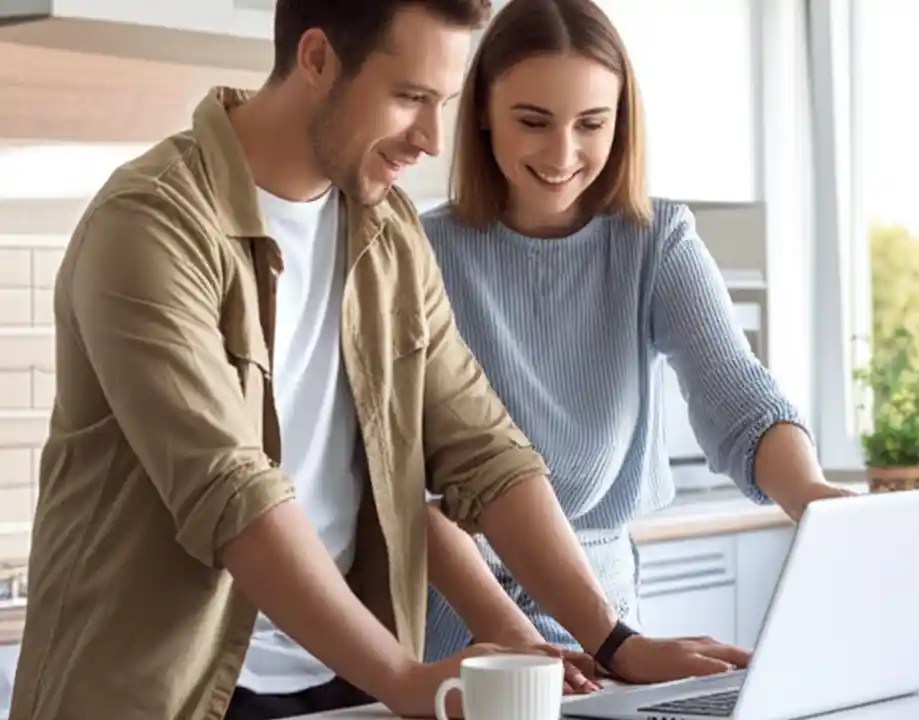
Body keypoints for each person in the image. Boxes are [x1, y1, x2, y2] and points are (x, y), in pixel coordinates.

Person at [10, 1, 748, 718]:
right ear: (318, 58)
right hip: (166, 695)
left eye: (444, 102)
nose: (432, 137)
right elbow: (230, 491)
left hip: (343, 684)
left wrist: (613, 641)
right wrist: (406, 680)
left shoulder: (386, 232)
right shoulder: (152, 225)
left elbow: (483, 450)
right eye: (409, 97)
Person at [419, 0, 854, 662]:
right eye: (533, 122)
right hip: (464, 635)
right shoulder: (420, 253)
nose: (563, 154)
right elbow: (404, 492)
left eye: (591, 123)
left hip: (611, 633)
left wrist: (814, 498)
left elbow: (740, 398)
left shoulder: (655, 243)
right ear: (481, 111)